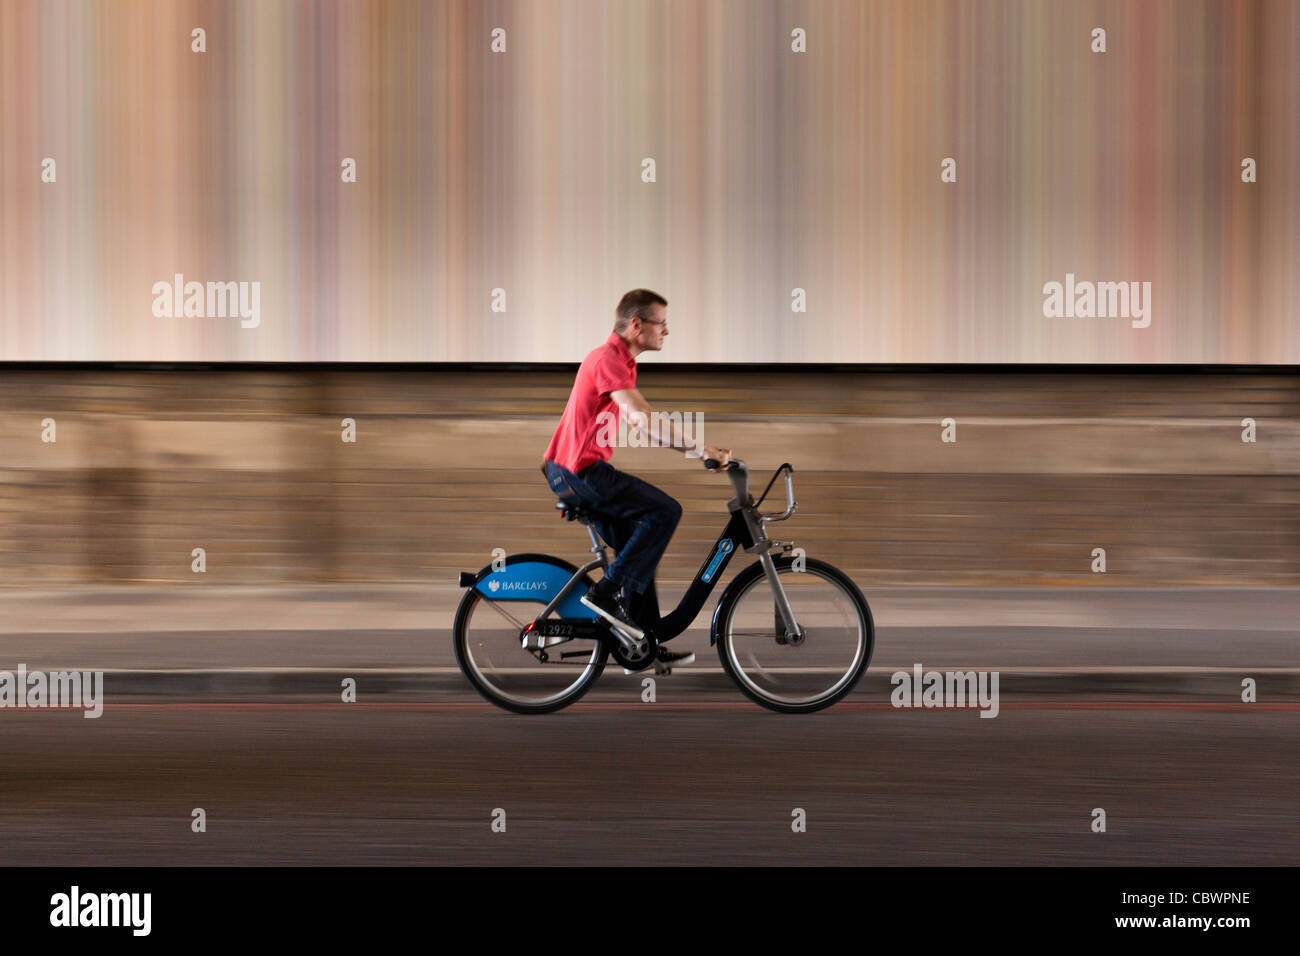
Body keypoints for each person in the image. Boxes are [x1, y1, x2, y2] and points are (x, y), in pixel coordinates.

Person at [541, 289, 731, 664]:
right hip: (580, 471)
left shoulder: (619, 362)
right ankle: (603, 594)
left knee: (638, 554)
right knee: (664, 512)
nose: (667, 331)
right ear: (636, 325)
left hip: (571, 471)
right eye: (661, 323)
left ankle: (642, 646)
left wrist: (694, 451)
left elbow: (639, 423)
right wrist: (703, 451)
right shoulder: (609, 358)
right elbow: (643, 418)